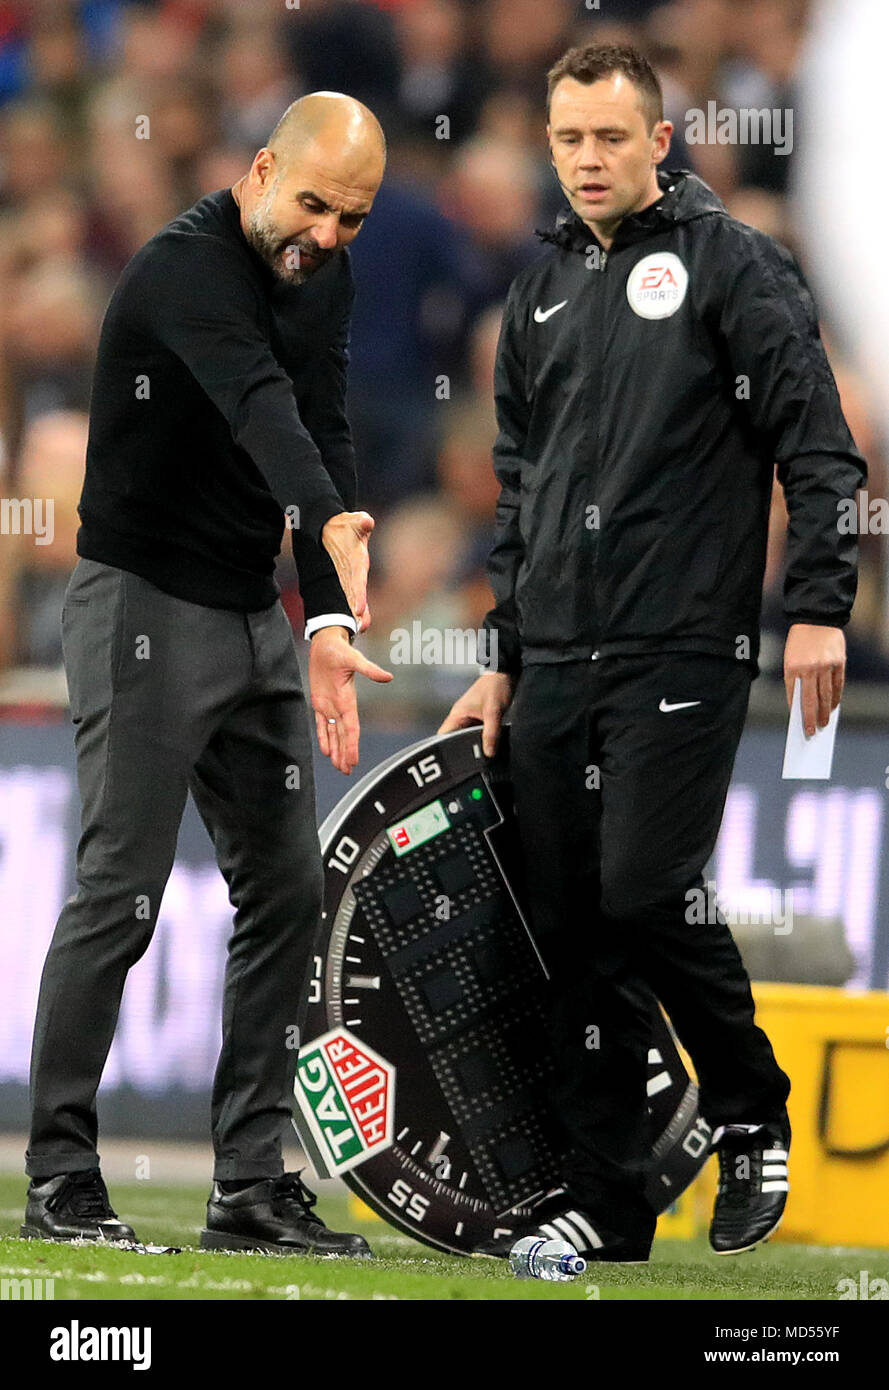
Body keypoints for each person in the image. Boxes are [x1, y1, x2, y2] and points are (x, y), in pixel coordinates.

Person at [439, 43, 866, 1262]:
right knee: (573, 928)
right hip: (559, 657)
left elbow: (822, 450)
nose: (585, 160)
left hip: (681, 641)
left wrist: (819, 608)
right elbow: (519, 493)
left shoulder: (733, 265)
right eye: (568, 139)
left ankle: (747, 1109)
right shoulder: (539, 292)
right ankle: (610, 1202)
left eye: (609, 138)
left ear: (659, 140)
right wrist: (502, 650)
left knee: (643, 889)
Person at [22, 92, 393, 1257]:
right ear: (263, 167)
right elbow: (264, 415)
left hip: (250, 613)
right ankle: (63, 1176)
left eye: (354, 217)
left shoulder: (320, 274)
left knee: (285, 890)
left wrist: (327, 624)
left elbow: (323, 429)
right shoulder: (182, 269)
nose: (328, 234)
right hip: (140, 606)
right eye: (316, 203)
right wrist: (332, 525)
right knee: (119, 892)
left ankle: (250, 1182)